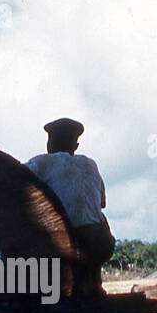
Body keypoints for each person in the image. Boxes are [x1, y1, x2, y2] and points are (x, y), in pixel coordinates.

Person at [25, 119, 114, 284]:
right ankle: (94, 284)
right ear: (75, 146)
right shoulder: (90, 164)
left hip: (65, 245)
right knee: (97, 218)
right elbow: (102, 202)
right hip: (101, 242)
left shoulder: (42, 162)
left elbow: (16, 184)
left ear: (50, 142)